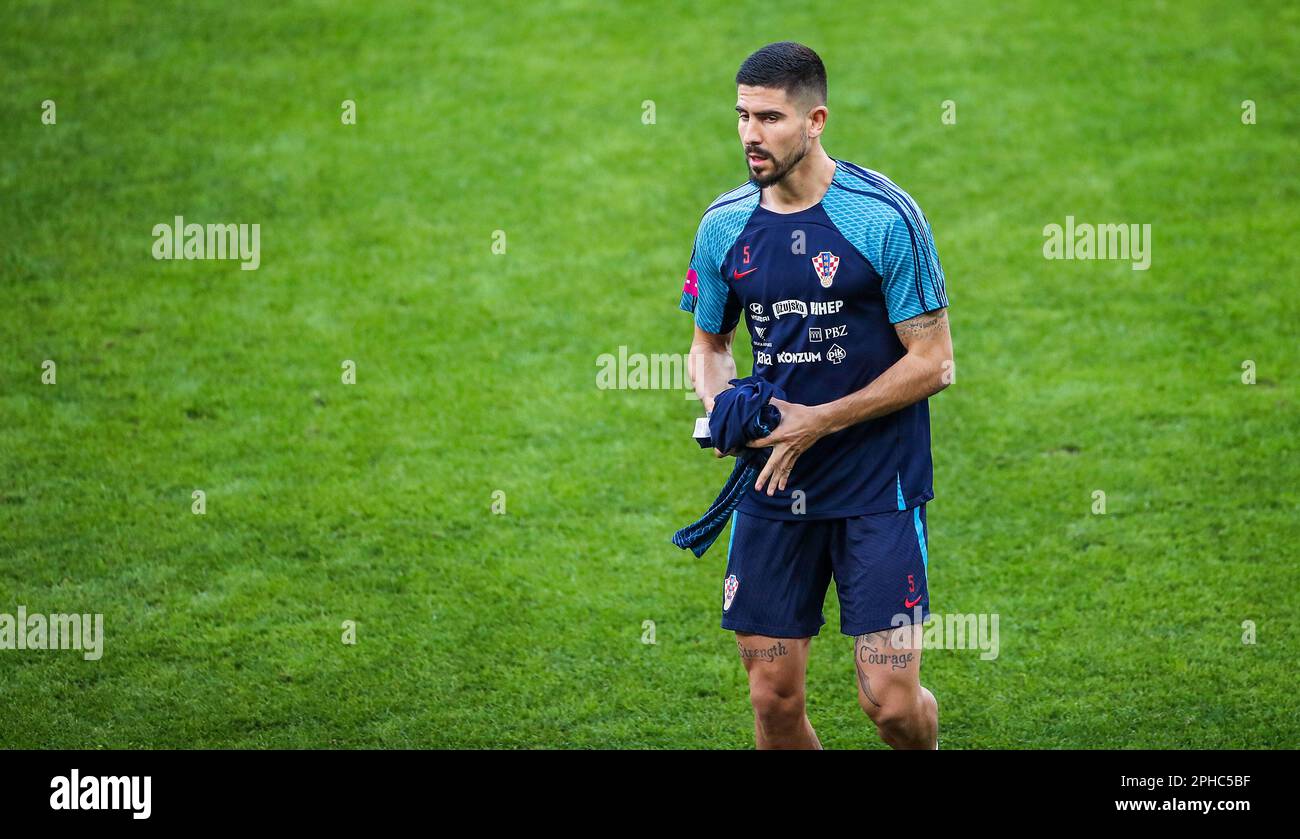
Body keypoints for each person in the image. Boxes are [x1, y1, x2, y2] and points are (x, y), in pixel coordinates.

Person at [678, 41, 953, 750]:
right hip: (772, 488)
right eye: (741, 116)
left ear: (815, 120)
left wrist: (818, 421)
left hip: (876, 485)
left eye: (769, 117)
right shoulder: (724, 225)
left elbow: (935, 362)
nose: (750, 134)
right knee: (772, 696)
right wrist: (720, 411)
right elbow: (708, 346)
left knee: (889, 702)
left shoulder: (883, 218)